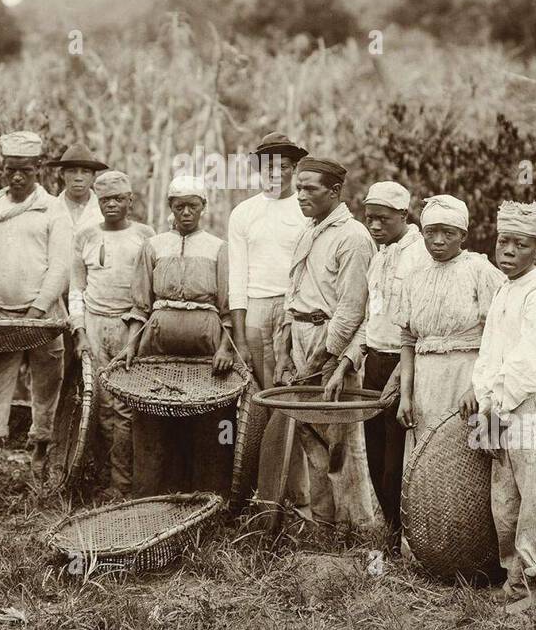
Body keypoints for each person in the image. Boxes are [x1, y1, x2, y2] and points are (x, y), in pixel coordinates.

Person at [468, 200, 536, 613]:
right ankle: (515, 578)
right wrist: (484, 396)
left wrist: (499, 404)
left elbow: (528, 363)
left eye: (519, 244)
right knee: (504, 497)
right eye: (502, 241)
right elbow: (490, 353)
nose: (507, 251)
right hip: (501, 405)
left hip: (532, 405)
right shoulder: (506, 291)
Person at [276, 156, 379, 530]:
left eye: (310, 189)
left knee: (342, 440)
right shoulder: (310, 229)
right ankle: (324, 525)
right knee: (309, 433)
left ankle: (358, 528)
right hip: (302, 337)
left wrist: (324, 360)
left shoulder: (353, 238)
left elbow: (352, 310)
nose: (300, 194)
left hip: (332, 345)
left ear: (335, 192)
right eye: (298, 187)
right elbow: (294, 291)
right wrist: (286, 351)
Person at [395, 195, 506, 542]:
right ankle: (425, 547)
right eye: (430, 233)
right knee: (426, 465)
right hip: (426, 381)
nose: (437, 242)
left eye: (447, 233)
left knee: (468, 462)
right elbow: (408, 341)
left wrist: (478, 387)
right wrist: (406, 395)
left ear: (463, 234)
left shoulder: (480, 270)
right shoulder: (414, 277)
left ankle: (472, 548)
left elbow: (498, 335)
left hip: (467, 376)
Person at [119, 175, 237, 496]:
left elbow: (228, 306)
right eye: (180, 206)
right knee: (154, 415)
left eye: (193, 206)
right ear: (170, 207)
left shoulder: (218, 248)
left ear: (204, 208)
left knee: (212, 421)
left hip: (207, 347)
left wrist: (225, 348)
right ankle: (153, 496)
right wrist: (131, 345)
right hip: (157, 344)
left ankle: (210, 497)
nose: (186, 213)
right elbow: (140, 304)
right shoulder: (153, 245)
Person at [0, 131, 72, 493]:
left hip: (44, 318)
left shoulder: (53, 208)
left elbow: (60, 266)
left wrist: (38, 310)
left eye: (24, 171)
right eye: (10, 170)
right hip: (1, 317)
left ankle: (40, 460)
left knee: (47, 389)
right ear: (3, 168)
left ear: (38, 168)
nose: (16, 177)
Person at [325, 180, 423, 540]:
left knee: (398, 464)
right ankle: (392, 539)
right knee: (378, 459)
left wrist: (402, 376)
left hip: (406, 365)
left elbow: (418, 328)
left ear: (404, 215)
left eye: (383, 219)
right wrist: (345, 365)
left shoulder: (421, 256)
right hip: (375, 367)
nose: (376, 226)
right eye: (370, 219)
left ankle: (409, 542)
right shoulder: (379, 257)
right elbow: (370, 321)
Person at [227, 131, 310, 501]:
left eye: (285, 167)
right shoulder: (244, 213)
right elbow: (237, 276)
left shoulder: (307, 211)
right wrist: (240, 337)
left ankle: (301, 498)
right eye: (269, 167)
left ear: (294, 170)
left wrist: (298, 316)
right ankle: (265, 495)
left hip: (297, 311)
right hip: (256, 309)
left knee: (294, 400)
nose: (276, 174)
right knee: (262, 402)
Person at [68, 170, 154, 497]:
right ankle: (105, 481)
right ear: (98, 201)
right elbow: (76, 288)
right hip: (94, 322)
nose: (112, 205)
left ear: (131, 200)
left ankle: (126, 483)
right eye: (105, 200)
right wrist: (79, 331)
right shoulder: (85, 236)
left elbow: (149, 288)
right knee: (100, 406)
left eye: (119, 199)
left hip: (129, 325)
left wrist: (139, 331)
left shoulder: (145, 235)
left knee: (127, 407)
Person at [49, 142, 107, 231]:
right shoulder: (49, 210)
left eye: (85, 172)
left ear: (93, 176)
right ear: (62, 174)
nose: (78, 178)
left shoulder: (103, 212)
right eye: (72, 171)